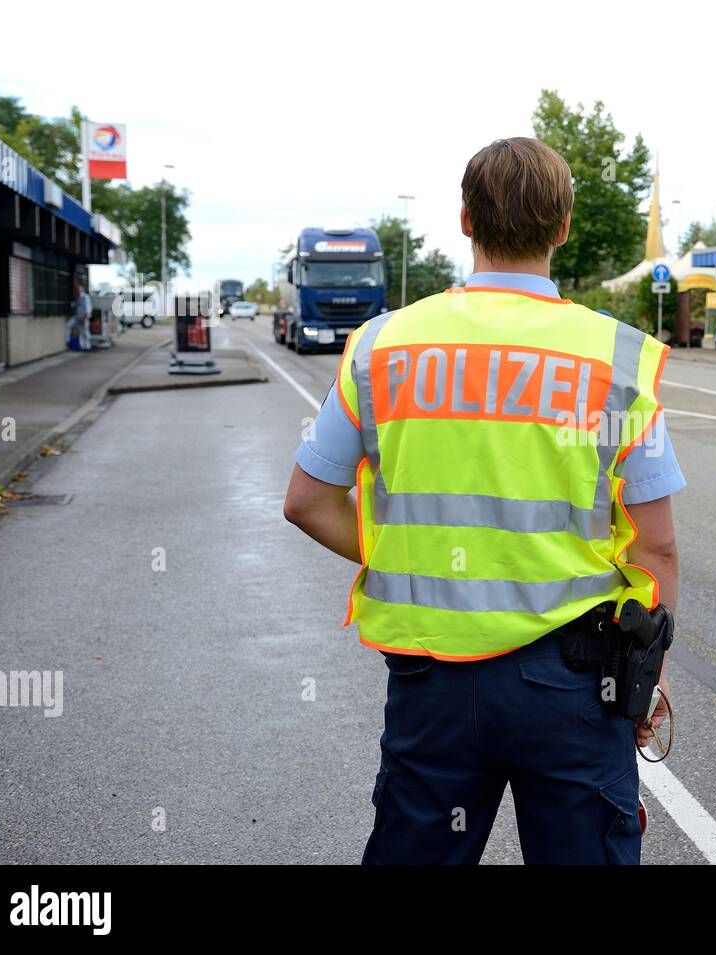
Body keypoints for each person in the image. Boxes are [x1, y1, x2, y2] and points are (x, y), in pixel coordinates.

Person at [283, 137, 684, 865]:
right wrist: (643, 683)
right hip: (576, 685)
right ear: (562, 227)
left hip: (431, 683)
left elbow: (308, 500)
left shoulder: (381, 346)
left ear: (465, 221)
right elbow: (655, 548)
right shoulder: (616, 359)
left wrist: (403, 550)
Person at [67, 282, 92, 351]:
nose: (79, 290)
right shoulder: (77, 297)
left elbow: (88, 307)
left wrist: (86, 317)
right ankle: (80, 345)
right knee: (76, 329)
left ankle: (88, 346)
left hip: (84, 317)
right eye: (78, 289)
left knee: (86, 332)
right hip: (77, 317)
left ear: (83, 289)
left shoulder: (85, 297)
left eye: (80, 288)